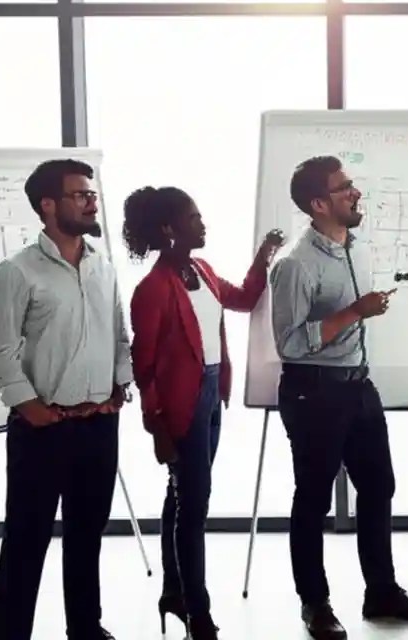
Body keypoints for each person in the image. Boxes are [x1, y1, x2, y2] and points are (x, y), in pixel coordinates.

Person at [269, 155, 408, 639]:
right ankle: (315, 604)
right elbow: (289, 343)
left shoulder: (355, 247)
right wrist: (354, 312)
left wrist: (359, 315)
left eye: (352, 184)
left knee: (379, 486)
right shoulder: (295, 265)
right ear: (318, 203)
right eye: (344, 188)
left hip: (358, 385)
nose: (355, 192)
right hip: (313, 393)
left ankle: (380, 591)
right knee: (313, 499)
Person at [123, 186, 285, 639]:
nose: (203, 224)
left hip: (212, 393)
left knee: (183, 495)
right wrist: (156, 426)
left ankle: (174, 592)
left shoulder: (202, 269)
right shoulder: (152, 289)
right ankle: (198, 611)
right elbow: (144, 365)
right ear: (169, 229)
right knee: (193, 505)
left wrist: (264, 255)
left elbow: (244, 298)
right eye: (194, 218)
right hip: (181, 403)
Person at [0, 159, 133, 640]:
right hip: (43, 430)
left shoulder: (103, 266)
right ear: (48, 205)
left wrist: (119, 387)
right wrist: (31, 409)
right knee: (26, 544)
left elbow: (119, 335)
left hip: (98, 426)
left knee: (86, 539)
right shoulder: (18, 271)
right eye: (80, 195)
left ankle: (85, 629)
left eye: (92, 195)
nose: (92, 202)